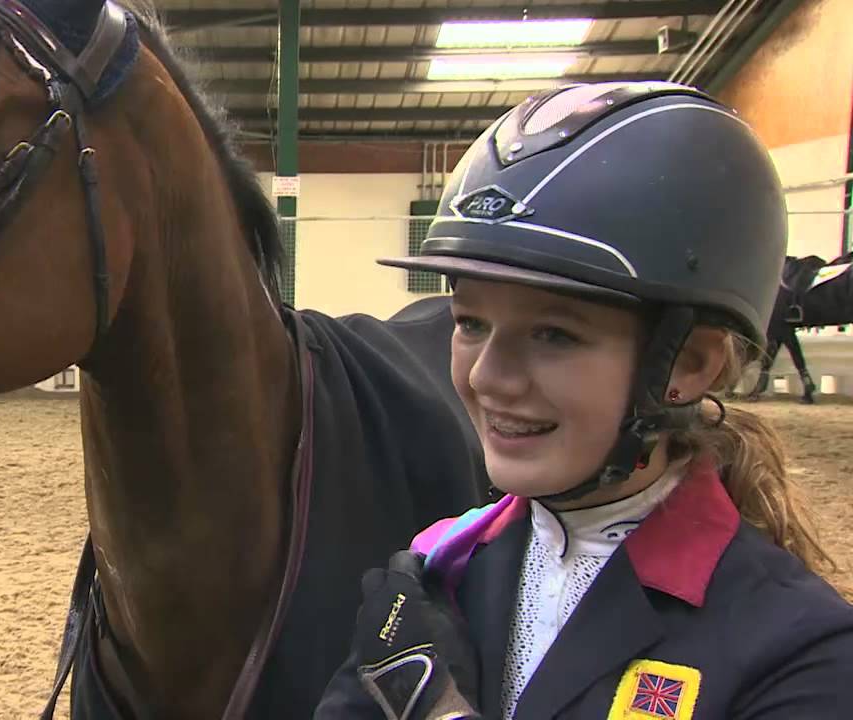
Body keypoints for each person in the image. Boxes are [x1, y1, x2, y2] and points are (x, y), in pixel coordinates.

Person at [314, 81, 853, 719]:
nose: (487, 377)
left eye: (553, 335)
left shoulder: (802, 653)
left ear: (689, 363)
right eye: (470, 323)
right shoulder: (436, 575)